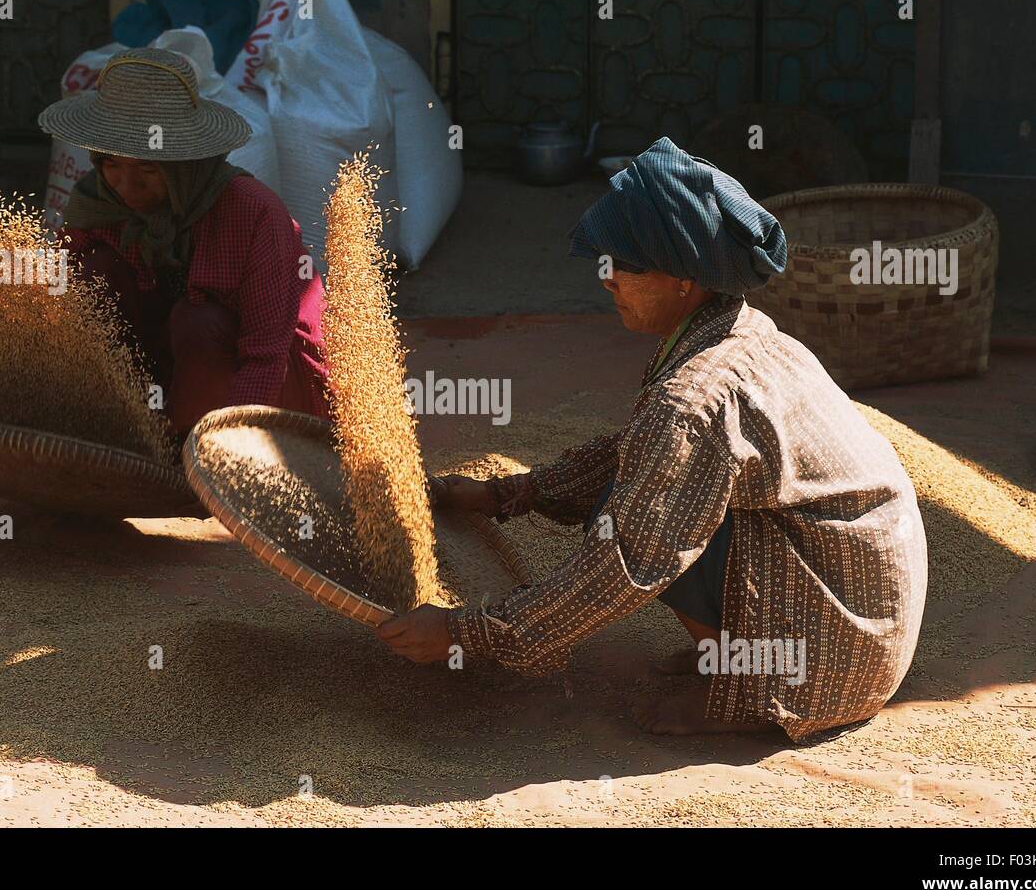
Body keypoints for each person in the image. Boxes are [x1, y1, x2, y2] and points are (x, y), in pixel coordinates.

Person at [377, 138, 929, 743]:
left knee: (630, 526)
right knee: (644, 486)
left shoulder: (696, 397)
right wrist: (505, 495)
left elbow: (618, 571)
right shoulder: (738, 328)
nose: (607, 279)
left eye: (626, 266)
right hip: (862, 618)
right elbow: (635, 455)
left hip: (832, 660)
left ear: (685, 281)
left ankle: (745, 693)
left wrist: (463, 632)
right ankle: (732, 653)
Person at [37, 48, 328, 439]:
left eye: (148, 168)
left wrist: (234, 449)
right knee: (92, 274)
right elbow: (60, 304)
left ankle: (187, 448)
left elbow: (266, 356)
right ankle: (123, 430)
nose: (128, 187)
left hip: (276, 392)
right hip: (176, 376)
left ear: (181, 162)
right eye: (112, 166)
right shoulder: (99, 204)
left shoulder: (252, 214)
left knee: (197, 320)